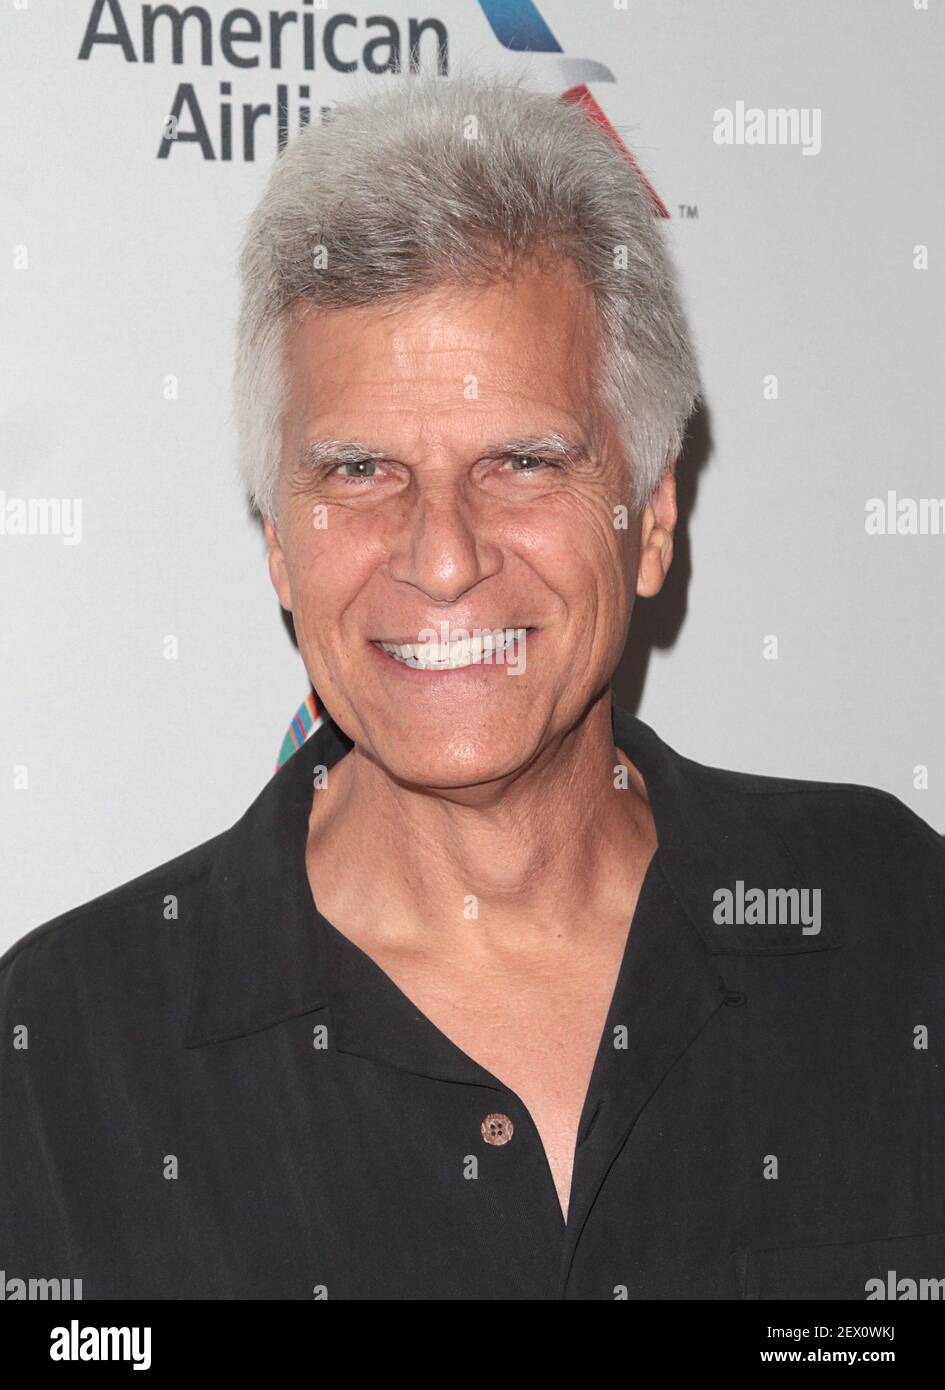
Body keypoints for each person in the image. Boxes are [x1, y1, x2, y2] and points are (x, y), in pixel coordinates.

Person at [2, 69, 943, 1301]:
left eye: (521, 460)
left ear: (652, 515)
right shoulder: (66, 1050)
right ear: (278, 541)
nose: (442, 555)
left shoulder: (887, 920)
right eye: (358, 469)